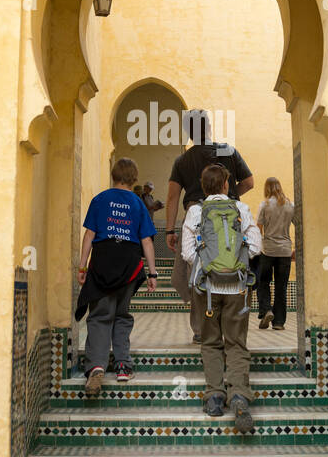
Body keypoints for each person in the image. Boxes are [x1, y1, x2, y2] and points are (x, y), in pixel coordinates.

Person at [182, 163, 262, 434]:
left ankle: (215, 396)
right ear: (227, 185)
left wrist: (210, 267)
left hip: (206, 289)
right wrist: (236, 264)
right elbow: (256, 245)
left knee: (211, 343)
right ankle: (238, 394)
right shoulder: (241, 209)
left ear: (204, 187)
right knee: (236, 343)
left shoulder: (195, 211)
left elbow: (187, 252)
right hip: (237, 289)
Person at [164, 109, 254, 342]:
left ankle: (201, 329)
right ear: (209, 126)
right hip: (230, 218)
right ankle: (231, 324)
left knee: (195, 272)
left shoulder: (183, 159)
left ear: (188, 132)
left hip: (197, 218)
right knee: (232, 266)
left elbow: (173, 197)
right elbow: (249, 182)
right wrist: (230, 196)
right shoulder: (227, 150)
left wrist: (170, 230)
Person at [75, 158, 158, 396]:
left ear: (113, 175)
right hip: (128, 265)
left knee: (100, 315)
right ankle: (122, 365)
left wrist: (82, 267)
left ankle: (97, 367)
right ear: (134, 179)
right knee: (121, 315)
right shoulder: (139, 204)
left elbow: (89, 235)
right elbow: (147, 241)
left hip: (102, 262)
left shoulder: (99, 200)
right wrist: (152, 273)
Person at [256, 176, 295, 330]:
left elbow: (258, 227)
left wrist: (257, 245)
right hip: (285, 251)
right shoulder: (290, 205)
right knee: (281, 286)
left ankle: (266, 310)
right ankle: (278, 322)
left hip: (267, 250)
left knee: (263, 282)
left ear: (267, 188)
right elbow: (300, 224)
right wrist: (296, 248)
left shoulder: (265, 205)